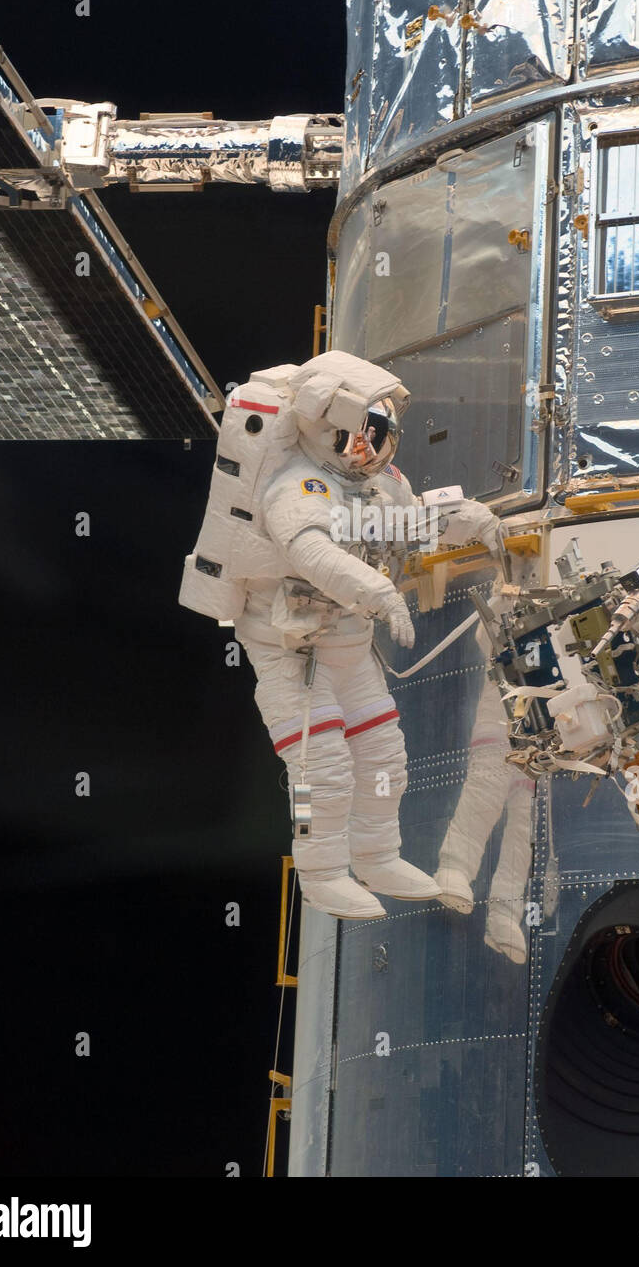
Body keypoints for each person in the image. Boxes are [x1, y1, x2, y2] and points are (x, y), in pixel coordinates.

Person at [181, 349, 502, 920]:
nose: (372, 447)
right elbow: (312, 552)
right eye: (363, 433)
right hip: (291, 652)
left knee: (384, 759)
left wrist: (472, 518)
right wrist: (376, 594)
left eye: (382, 434)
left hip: (349, 647)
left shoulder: (378, 486)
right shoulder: (296, 487)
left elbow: (404, 522)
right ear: (327, 430)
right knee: (321, 772)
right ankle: (322, 872)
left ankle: (378, 857)